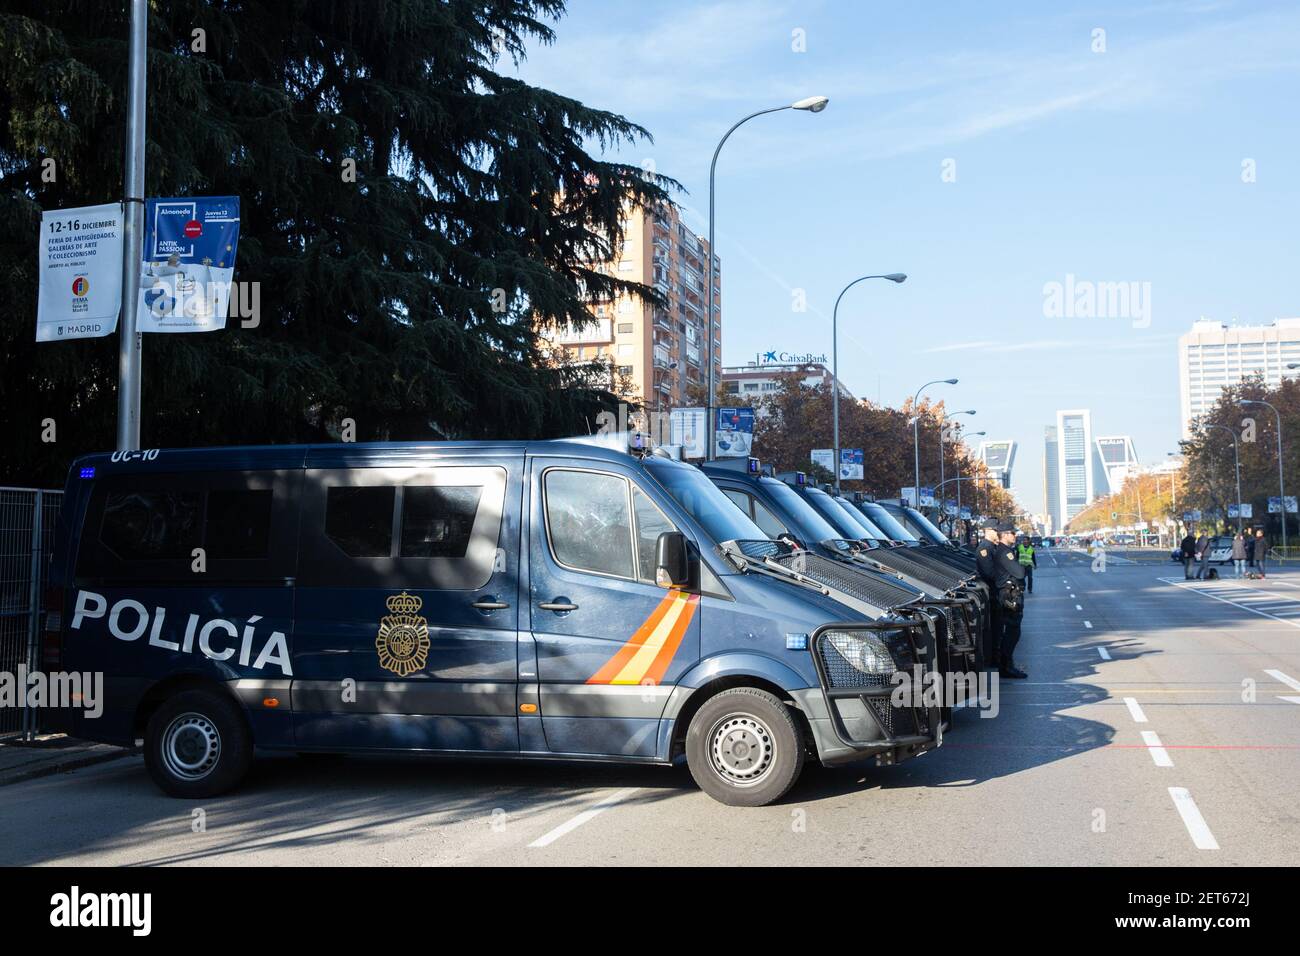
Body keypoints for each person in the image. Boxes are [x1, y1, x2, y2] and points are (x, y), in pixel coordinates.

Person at [996, 522, 1028, 678]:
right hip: (1009, 597)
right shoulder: (1005, 553)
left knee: (1013, 632)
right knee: (1012, 632)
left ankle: (1007, 664)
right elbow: (1020, 573)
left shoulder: (1007, 551)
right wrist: (1020, 564)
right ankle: (1006, 667)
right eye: (1013, 533)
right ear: (1005, 534)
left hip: (1011, 595)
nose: (1015, 536)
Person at [975, 521, 1004, 671]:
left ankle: (997, 656)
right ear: (988, 531)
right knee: (994, 627)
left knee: (998, 627)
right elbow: (989, 573)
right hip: (991, 593)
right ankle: (994, 658)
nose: (998, 533)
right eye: (995, 530)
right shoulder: (985, 548)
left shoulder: (993, 547)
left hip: (996, 592)